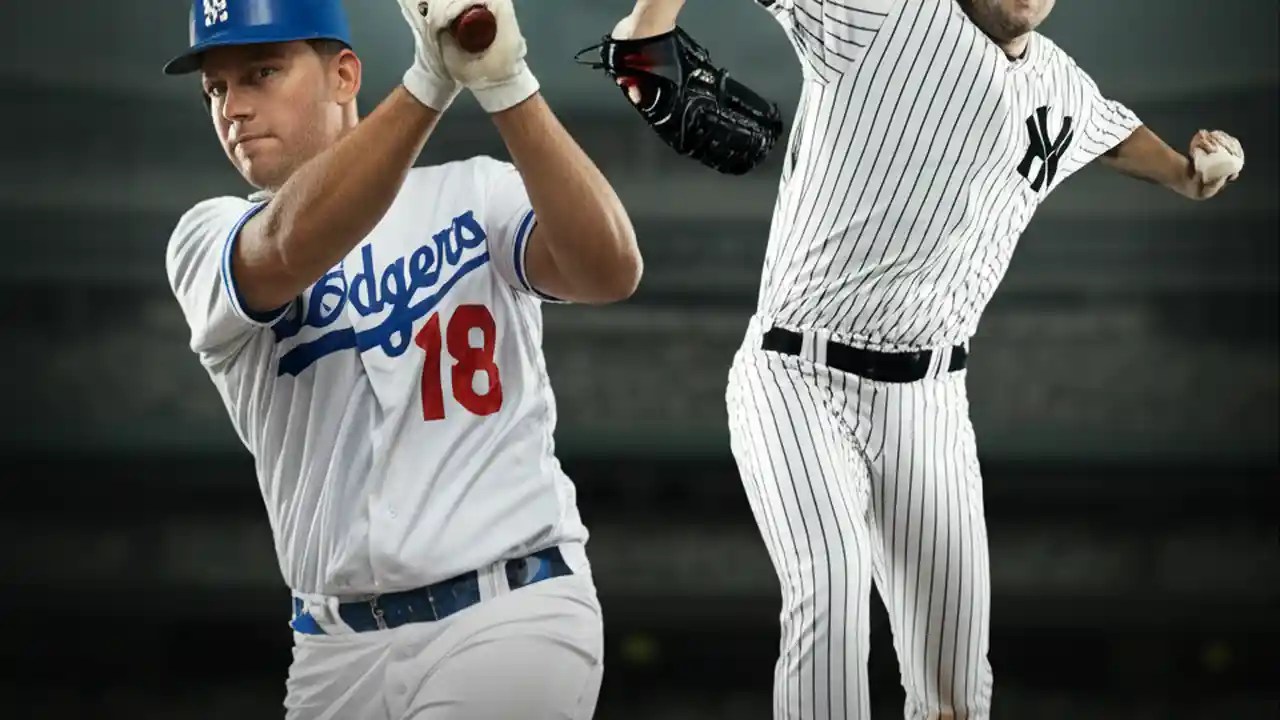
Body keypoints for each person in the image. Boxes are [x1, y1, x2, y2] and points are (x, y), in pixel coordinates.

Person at [583, 1, 1244, 718]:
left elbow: (1112, 135)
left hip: (930, 405)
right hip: (797, 378)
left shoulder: (1062, 86)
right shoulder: (878, 11)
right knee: (829, 588)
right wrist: (646, 28)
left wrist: (1193, 172)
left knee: (958, 689)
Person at [162, 0, 641, 717]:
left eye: (261, 72)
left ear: (344, 75)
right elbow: (289, 243)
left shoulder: (473, 193)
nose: (234, 106)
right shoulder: (206, 238)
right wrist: (428, 82)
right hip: (332, 652)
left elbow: (611, 270)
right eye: (217, 88)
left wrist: (504, 82)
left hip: (506, 614)